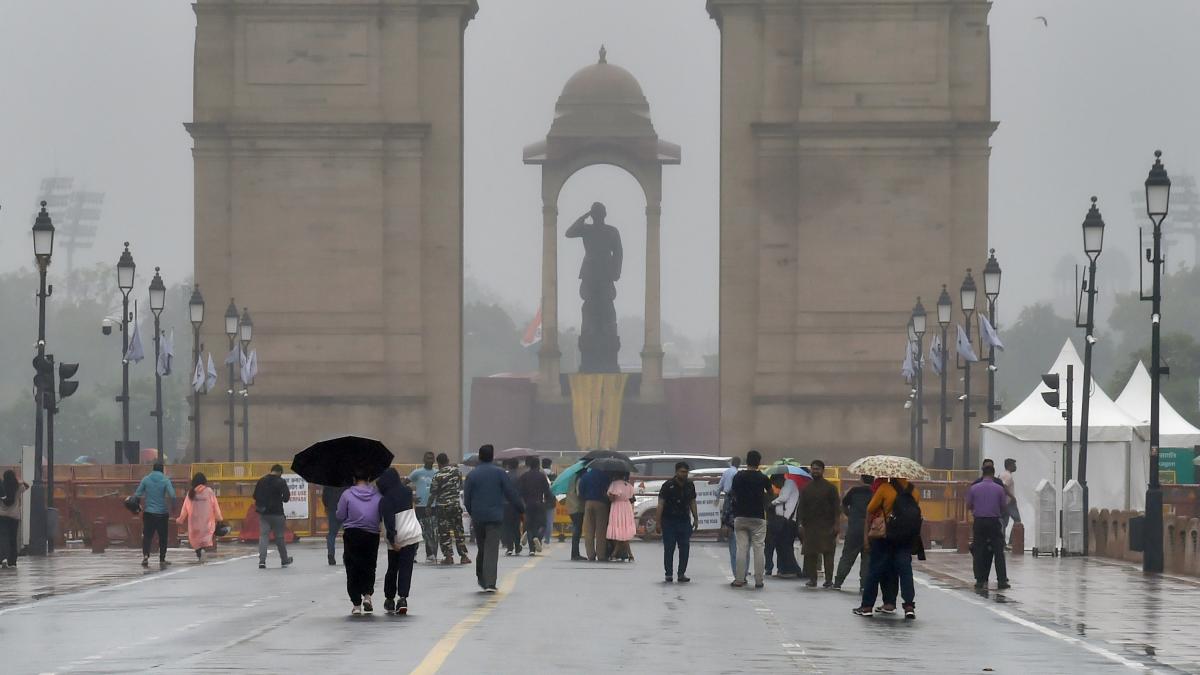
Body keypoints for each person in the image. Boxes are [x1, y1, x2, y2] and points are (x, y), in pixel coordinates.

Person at [854, 477, 921, 620]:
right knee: (905, 572)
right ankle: (909, 606)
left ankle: (867, 606)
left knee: (875, 570)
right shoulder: (914, 491)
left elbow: (870, 508)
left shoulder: (885, 488)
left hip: (885, 536)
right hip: (905, 538)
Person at [464, 444, 524, 592]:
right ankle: (489, 582)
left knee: (482, 547)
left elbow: (467, 498)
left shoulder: (472, 475)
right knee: (491, 549)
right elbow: (511, 493)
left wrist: (473, 512)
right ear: (492, 457)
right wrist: (521, 508)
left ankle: (481, 577)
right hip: (495, 517)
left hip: (478, 516)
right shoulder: (500, 473)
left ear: (479, 456)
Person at [337, 467, 383, 615]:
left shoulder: (347, 494)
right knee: (369, 565)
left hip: (353, 534)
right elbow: (380, 512)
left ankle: (356, 604)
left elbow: (340, 515)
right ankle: (368, 596)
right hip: (372, 534)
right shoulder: (377, 494)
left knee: (352, 567)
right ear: (369, 479)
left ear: (354, 479)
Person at [378, 468, 419, 615]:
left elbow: (389, 520)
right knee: (406, 567)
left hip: (396, 537)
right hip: (411, 534)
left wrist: (392, 539)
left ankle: (389, 598)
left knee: (392, 568)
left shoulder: (386, 498)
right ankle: (403, 598)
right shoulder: (407, 492)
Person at [730, 450, 772, 589]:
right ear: (759, 462)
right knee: (759, 548)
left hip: (740, 516)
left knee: (742, 549)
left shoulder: (738, 476)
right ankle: (759, 580)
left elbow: (733, 493)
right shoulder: (763, 478)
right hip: (758, 518)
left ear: (746, 461)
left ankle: (739, 579)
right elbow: (770, 495)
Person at [968, 464, 1010, 591]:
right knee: (998, 551)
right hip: (993, 522)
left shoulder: (974, 488)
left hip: (979, 521)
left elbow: (969, 505)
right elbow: (1003, 506)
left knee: (979, 550)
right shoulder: (999, 489)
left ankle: (980, 580)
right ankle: (1002, 580)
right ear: (993, 474)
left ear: (983, 473)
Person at [799, 460, 840, 588]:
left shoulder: (831, 488)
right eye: (813, 469)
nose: (815, 471)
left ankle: (828, 580)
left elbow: (836, 508)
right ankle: (813, 579)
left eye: (817, 469)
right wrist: (800, 524)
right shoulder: (806, 488)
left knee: (828, 554)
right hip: (810, 526)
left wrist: (837, 525)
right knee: (811, 554)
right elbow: (801, 508)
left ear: (823, 470)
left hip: (827, 525)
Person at [656, 462, 697, 583]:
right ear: (676, 472)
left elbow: (692, 502)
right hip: (669, 521)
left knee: (685, 547)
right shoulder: (667, 486)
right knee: (669, 548)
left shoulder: (690, 485)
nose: (684, 474)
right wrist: (658, 523)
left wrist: (696, 517)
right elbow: (660, 504)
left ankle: (681, 574)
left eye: (686, 472)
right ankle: (668, 574)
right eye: (682, 472)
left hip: (684, 520)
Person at [833, 475, 874, 591]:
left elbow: (843, 505)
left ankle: (838, 582)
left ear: (861, 480)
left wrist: (850, 515)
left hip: (854, 528)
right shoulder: (875, 492)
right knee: (867, 559)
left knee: (847, 557)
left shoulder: (854, 491)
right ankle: (864, 585)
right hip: (870, 530)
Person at [428, 453, 471, 565]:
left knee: (444, 532)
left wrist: (428, 506)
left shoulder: (437, 475)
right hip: (455, 506)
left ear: (439, 463)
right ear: (448, 460)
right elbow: (460, 486)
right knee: (458, 531)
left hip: (442, 507)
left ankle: (448, 557)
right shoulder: (457, 472)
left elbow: (433, 493)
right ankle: (464, 556)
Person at [133, 462, 176, 568]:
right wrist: (174, 506)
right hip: (162, 513)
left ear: (153, 469)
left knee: (147, 536)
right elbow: (173, 495)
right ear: (162, 470)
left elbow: (137, 494)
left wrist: (136, 506)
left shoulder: (146, 479)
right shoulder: (165, 480)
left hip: (149, 513)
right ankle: (162, 559)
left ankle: (146, 556)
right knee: (163, 537)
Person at [177, 473, 223, 563]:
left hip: (194, 524)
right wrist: (219, 517)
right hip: (207, 523)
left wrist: (181, 519)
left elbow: (185, 508)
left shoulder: (191, 493)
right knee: (205, 539)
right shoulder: (209, 491)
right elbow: (215, 506)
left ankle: (199, 552)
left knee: (196, 541)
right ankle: (203, 550)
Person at [253, 464, 293, 569]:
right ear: (280, 472)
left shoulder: (262, 480)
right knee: (279, 537)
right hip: (277, 513)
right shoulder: (281, 481)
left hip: (264, 514)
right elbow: (286, 498)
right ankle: (284, 560)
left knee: (263, 536)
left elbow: (255, 495)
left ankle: (262, 561)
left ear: (271, 470)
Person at [516, 456, 555, 555]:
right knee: (543, 524)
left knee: (529, 527)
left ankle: (531, 550)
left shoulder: (524, 476)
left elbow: (519, 492)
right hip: (539, 503)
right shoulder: (542, 476)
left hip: (528, 504)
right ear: (538, 465)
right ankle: (538, 537)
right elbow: (547, 491)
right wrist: (550, 502)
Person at [768, 474, 802, 578]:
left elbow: (784, 498)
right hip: (783, 520)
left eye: (775, 483)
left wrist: (772, 503)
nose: (776, 486)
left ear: (780, 479)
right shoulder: (785, 486)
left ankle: (795, 570)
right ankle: (783, 570)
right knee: (781, 546)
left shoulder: (789, 484)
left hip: (788, 521)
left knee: (786, 546)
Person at [409, 452, 439, 563]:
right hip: (420, 506)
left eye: (432, 458)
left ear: (434, 460)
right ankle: (413, 555)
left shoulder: (437, 473)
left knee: (431, 531)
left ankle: (430, 554)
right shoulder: (417, 473)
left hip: (433, 506)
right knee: (417, 531)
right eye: (428, 458)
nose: (430, 460)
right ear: (423, 459)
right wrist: (411, 496)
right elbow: (404, 483)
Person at [580, 465, 612, 561]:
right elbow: (608, 490)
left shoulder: (585, 476)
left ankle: (590, 554)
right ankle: (601, 554)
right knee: (600, 531)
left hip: (588, 503)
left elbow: (581, 490)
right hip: (601, 503)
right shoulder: (605, 476)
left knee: (589, 530)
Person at [0, 471, 29, 569]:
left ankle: (2, 557)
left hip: (2, 516)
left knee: (3, 537)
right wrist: (19, 481)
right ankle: (12, 561)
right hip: (14, 516)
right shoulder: (18, 487)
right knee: (13, 539)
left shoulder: (2, 488)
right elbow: (27, 485)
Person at [607, 472, 636, 562]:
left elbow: (611, 498)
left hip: (617, 507)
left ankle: (614, 554)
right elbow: (631, 497)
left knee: (619, 530)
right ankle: (629, 555)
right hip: (626, 507)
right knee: (624, 531)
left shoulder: (614, 484)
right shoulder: (629, 485)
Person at [501, 459, 524, 556]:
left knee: (507, 526)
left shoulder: (504, 476)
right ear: (517, 466)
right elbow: (522, 492)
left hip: (505, 504)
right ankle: (517, 546)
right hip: (516, 504)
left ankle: (509, 547)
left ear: (508, 466)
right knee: (516, 526)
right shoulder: (520, 477)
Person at [566, 465, 586, 561]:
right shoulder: (579, 479)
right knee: (577, 530)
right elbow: (579, 494)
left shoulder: (572, 478)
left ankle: (575, 553)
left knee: (576, 529)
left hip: (570, 506)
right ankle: (575, 554)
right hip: (577, 507)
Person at [322, 485, 346, 566]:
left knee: (332, 534)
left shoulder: (328, 483)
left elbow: (324, 497)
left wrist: (327, 506)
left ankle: (331, 555)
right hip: (345, 510)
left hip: (332, 510)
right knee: (348, 534)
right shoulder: (346, 481)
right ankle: (346, 556)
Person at [999, 458, 1021, 541]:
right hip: (1009, 502)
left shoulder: (1001, 474)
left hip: (1002, 502)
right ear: (1009, 466)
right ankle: (1012, 542)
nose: (1015, 467)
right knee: (1017, 520)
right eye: (1014, 465)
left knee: (1003, 522)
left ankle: (1002, 542)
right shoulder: (1008, 476)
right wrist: (1012, 496)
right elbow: (1003, 486)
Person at [541, 457, 557, 542]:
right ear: (550, 465)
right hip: (551, 501)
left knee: (540, 520)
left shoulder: (540, 474)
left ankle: (539, 536)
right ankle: (547, 538)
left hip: (540, 500)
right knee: (549, 520)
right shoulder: (554, 475)